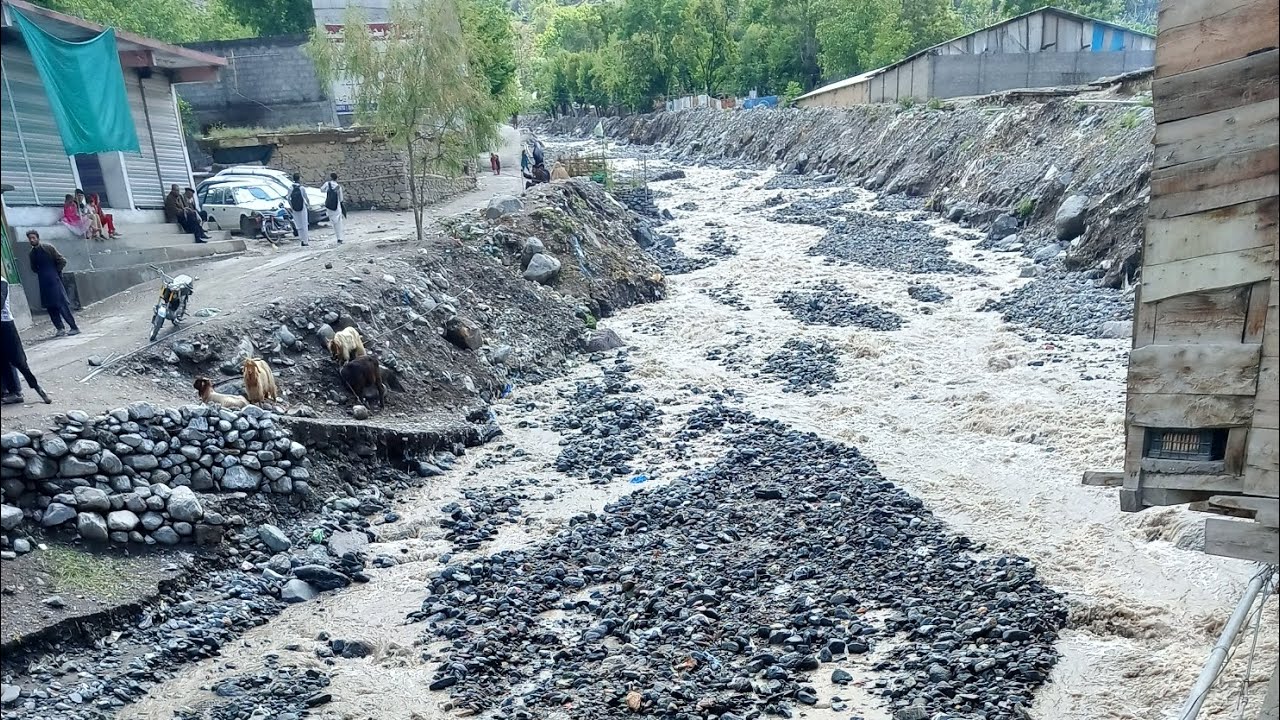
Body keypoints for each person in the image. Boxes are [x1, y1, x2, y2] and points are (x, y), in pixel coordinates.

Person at [1, 276, 51, 405]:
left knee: (19, 361)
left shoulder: (2, 282)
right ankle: (14, 392)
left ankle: (38, 389)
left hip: (6, 326)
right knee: (3, 362)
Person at [26, 230, 79, 337]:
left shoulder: (48, 248)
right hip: (43, 283)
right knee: (50, 307)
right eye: (30, 238)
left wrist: (56, 273)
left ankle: (74, 327)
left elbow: (62, 260)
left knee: (61, 305)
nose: (32, 240)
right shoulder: (32, 254)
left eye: (33, 238)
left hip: (54, 281)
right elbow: (33, 268)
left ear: (38, 238)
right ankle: (60, 328)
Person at [320, 172, 346, 244]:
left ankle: (337, 236)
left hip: (329, 206)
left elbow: (321, 190)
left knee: (333, 222)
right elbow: (341, 199)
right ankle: (339, 238)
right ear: (336, 178)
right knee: (338, 222)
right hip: (336, 207)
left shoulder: (327, 184)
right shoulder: (338, 187)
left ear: (331, 177)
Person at [289, 173, 310, 246]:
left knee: (298, 224)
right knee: (304, 223)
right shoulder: (302, 188)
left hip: (295, 208)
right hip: (302, 207)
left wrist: (291, 206)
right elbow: (306, 197)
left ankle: (301, 239)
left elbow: (288, 198)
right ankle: (305, 241)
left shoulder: (291, 188)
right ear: (299, 179)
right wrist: (308, 204)